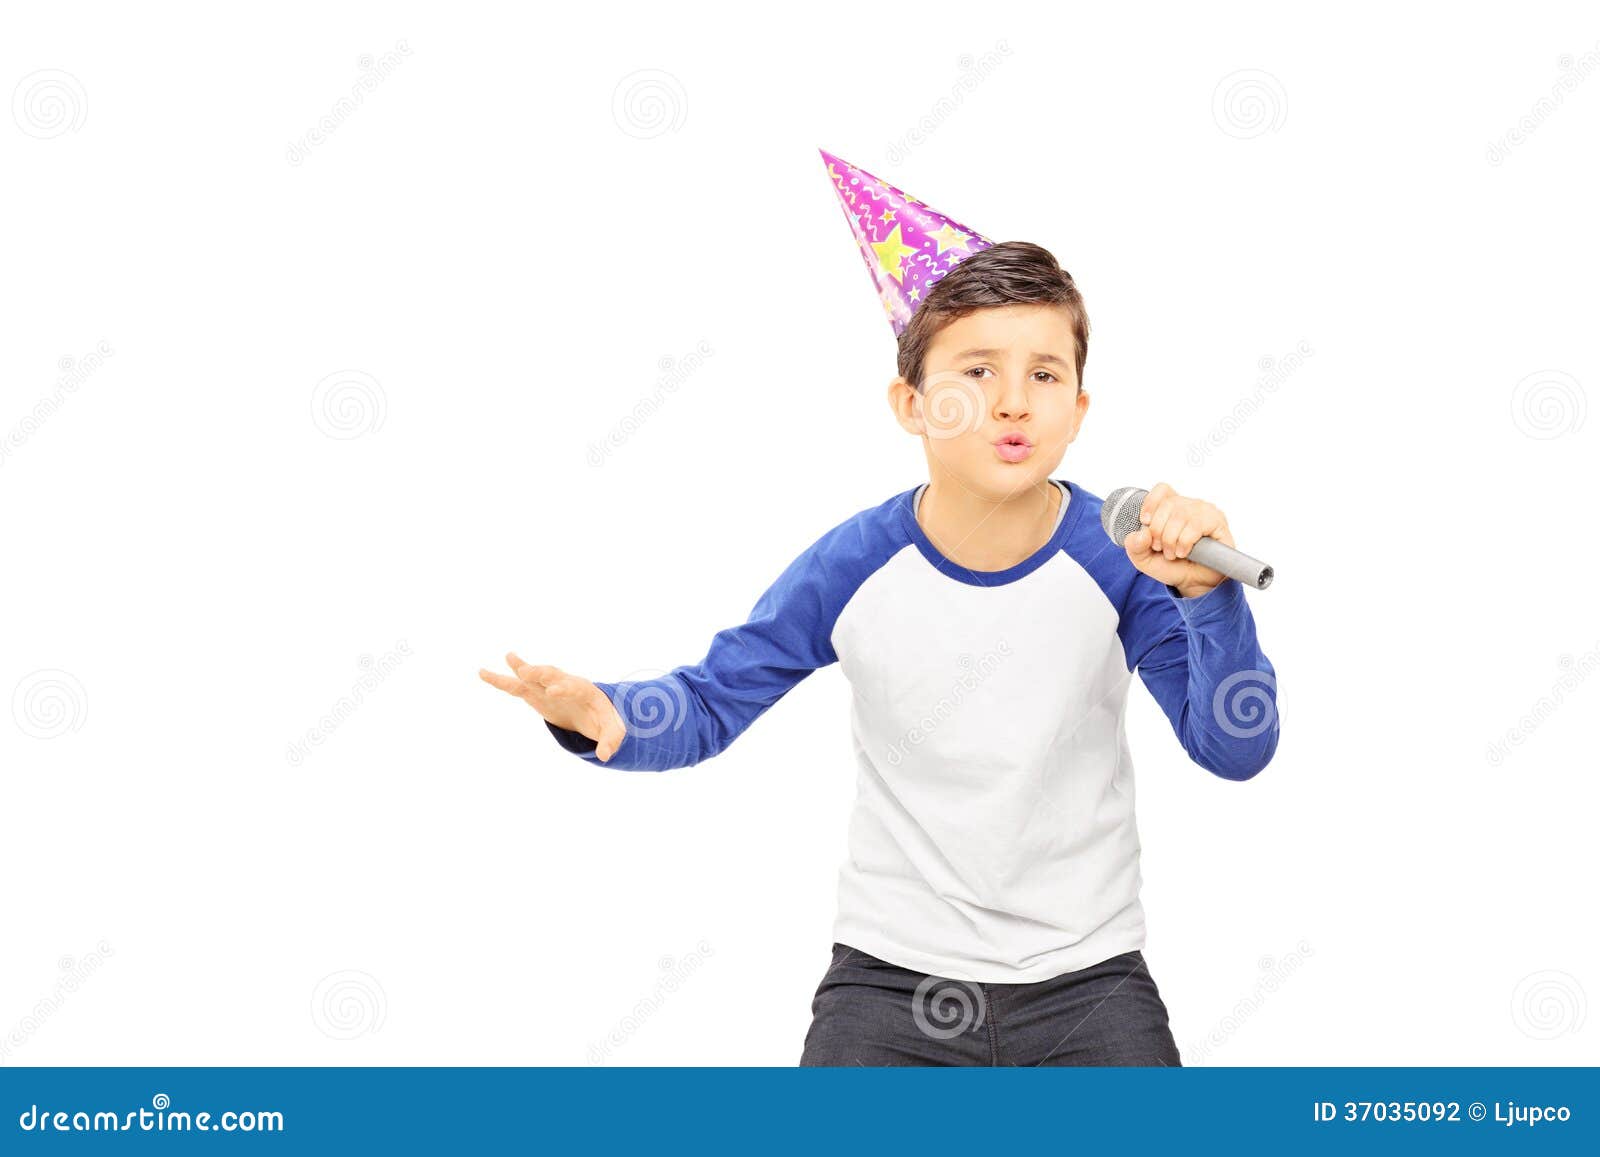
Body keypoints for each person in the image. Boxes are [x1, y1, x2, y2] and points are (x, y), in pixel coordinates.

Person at [480, 150, 1280, 1066]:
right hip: (890, 984)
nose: (1014, 400)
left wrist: (1206, 597)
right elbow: (711, 701)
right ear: (911, 402)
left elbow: (1236, 749)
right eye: (976, 371)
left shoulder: (1121, 556)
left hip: (1088, 983)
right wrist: (607, 715)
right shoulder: (854, 563)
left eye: (1045, 374)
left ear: (1080, 406)